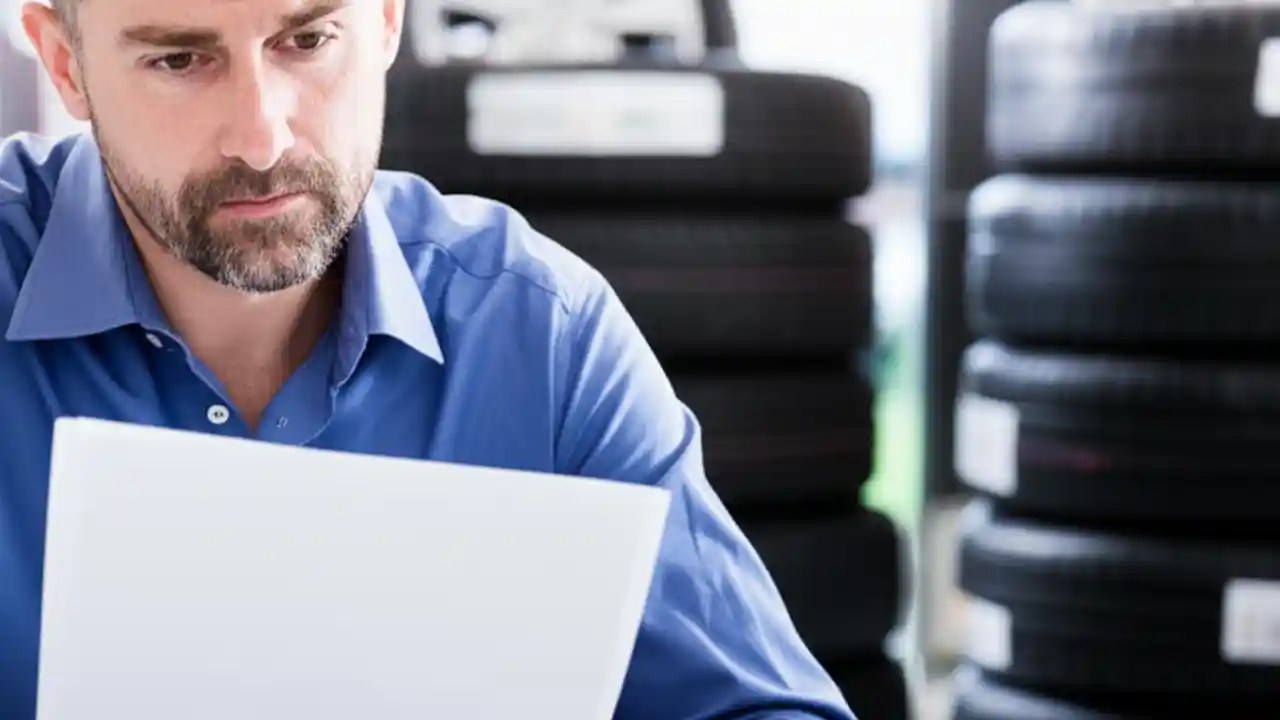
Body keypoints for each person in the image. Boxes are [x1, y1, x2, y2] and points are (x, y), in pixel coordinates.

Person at [0, 0, 859, 718]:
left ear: (385, 20)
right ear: (67, 65)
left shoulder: (542, 333)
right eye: (180, 61)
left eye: (308, 39)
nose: (262, 138)